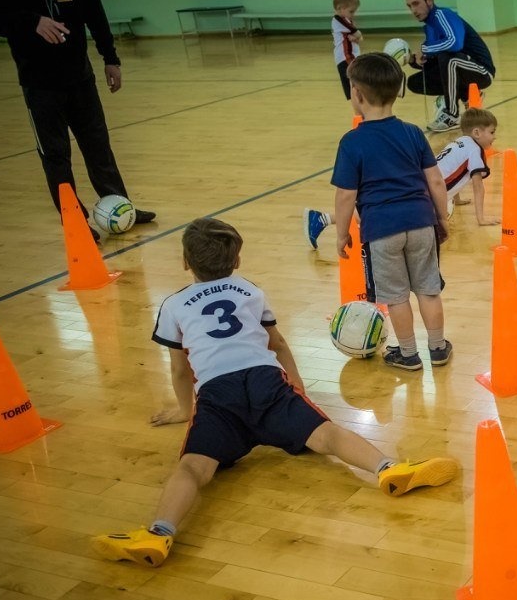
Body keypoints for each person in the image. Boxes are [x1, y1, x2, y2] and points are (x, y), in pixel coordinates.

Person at [90, 218, 460, 568]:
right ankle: (388, 468)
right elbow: (278, 343)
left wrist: (186, 411)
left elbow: (179, 369)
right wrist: (296, 391)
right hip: (266, 382)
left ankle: (159, 533)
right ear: (237, 260)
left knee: (193, 468)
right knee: (327, 435)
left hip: (218, 395)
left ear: (186, 262)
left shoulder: (173, 305)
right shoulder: (249, 289)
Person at [0, 0, 155, 237]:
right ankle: (75, 220)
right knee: (56, 155)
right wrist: (31, 22)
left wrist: (111, 58)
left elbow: (95, 9)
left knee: (98, 145)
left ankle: (119, 207)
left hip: (79, 76)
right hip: (40, 84)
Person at [331, 53, 452, 372]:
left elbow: (345, 196)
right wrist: (441, 218)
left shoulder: (352, 142)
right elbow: (436, 181)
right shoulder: (413, 132)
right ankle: (438, 348)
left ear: (356, 94)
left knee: (396, 296)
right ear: (399, 91)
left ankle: (409, 354)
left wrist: (342, 233)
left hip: (381, 231)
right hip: (421, 222)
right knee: (428, 289)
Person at [305, 107, 498, 246]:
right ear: (477, 132)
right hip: (427, 192)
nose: (494, 137)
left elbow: (452, 168)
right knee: (375, 213)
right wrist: (480, 218)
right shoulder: (476, 151)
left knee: (381, 209)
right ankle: (323, 219)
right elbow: (477, 185)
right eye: (492, 132)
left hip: (421, 181)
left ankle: (323, 218)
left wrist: (458, 197)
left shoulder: (462, 141)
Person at [402, 0, 495, 133]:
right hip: (460, 67)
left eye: (416, 4)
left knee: (448, 58)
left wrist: (425, 48)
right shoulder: (429, 27)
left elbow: (454, 43)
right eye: (409, 6)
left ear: (429, 1)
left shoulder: (442, 15)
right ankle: (467, 95)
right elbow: (433, 60)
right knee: (415, 82)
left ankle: (451, 114)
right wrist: (414, 60)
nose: (413, 10)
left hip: (482, 71)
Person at [331, 0, 363, 101]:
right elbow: (358, 33)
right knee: (356, 88)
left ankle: (362, 112)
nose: (353, 14)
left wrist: (357, 38)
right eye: (351, 11)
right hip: (347, 57)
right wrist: (357, 36)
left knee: (357, 88)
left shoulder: (347, 20)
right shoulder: (339, 19)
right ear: (340, 8)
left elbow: (360, 37)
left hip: (351, 57)